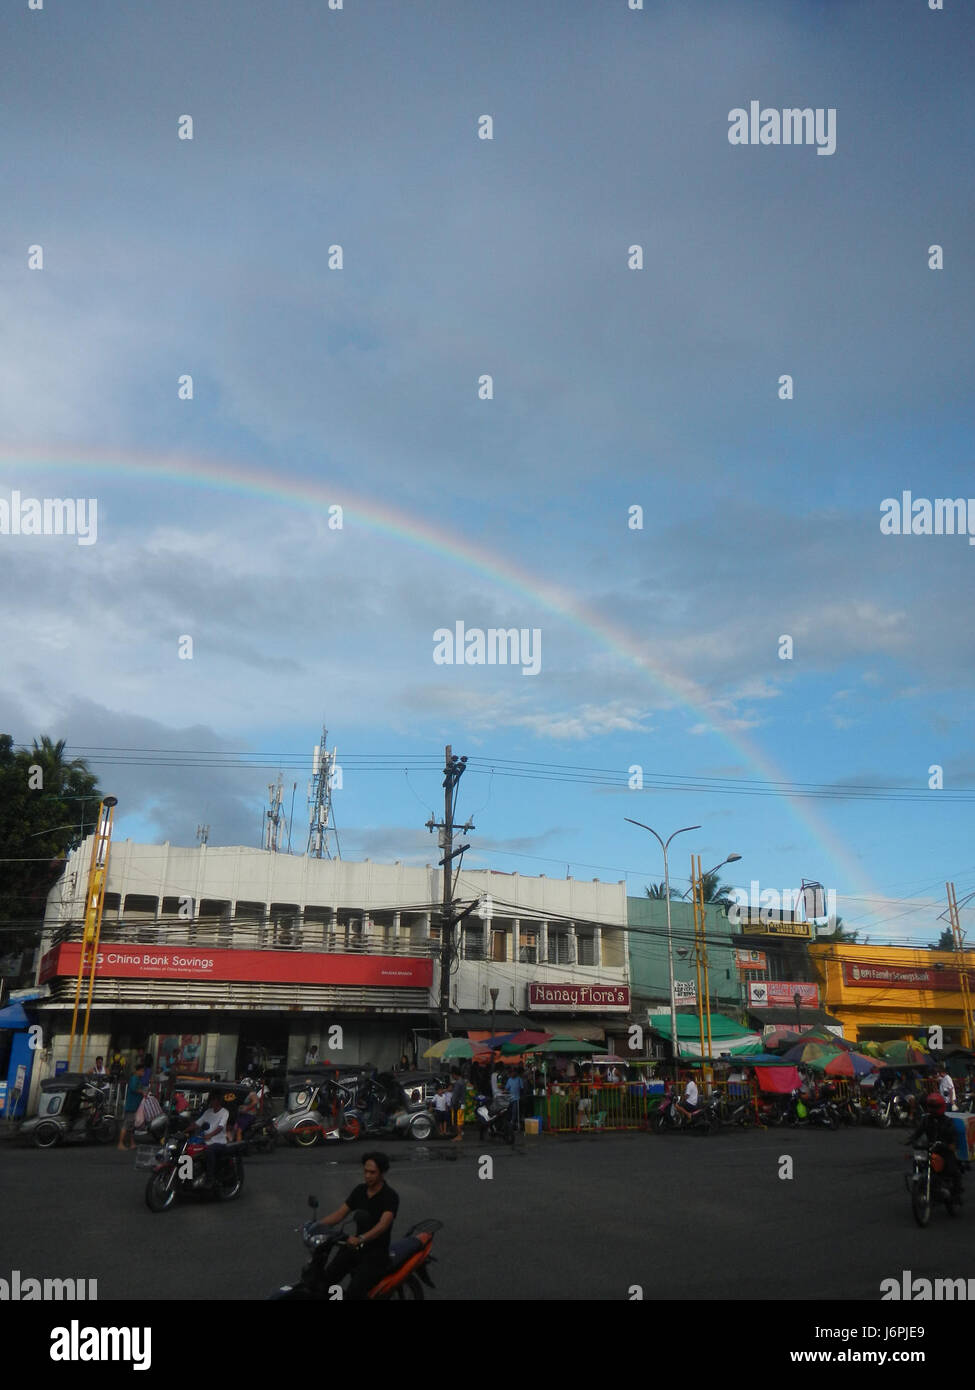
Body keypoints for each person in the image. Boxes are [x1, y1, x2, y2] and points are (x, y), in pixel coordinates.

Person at [314, 1152, 399, 1301]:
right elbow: (340, 1214)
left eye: (372, 1172)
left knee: (354, 1293)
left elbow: (383, 1225)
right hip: (355, 1248)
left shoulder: (390, 1196)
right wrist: (316, 1225)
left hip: (376, 1254)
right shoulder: (360, 1190)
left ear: (382, 1173)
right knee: (325, 1281)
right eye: (365, 1171)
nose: (367, 1176)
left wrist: (361, 1238)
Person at [905, 1093, 962, 1203]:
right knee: (917, 1161)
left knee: (952, 1168)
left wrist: (950, 1145)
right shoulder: (926, 1120)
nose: (933, 1109)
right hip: (930, 1149)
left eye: (935, 1107)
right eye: (931, 1106)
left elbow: (953, 1138)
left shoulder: (947, 1121)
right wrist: (910, 1140)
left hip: (944, 1150)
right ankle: (921, 1185)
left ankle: (956, 1194)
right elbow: (918, 1132)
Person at [189, 1089, 230, 1186]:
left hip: (219, 1142)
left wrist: (210, 1135)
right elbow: (197, 1124)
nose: (210, 1101)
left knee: (209, 1151)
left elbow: (220, 1127)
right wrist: (183, 1131)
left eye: (213, 1099)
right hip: (205, 1141)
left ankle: (210, 1178)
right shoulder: (208, 1111)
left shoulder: (224, 1112)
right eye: (210, 1099)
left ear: (218, 1100)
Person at [117, 1068, 146, 1151]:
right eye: (142, 1071)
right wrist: (142, 1092)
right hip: (131, 1105)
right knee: (127, 1125)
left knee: (131, 1126)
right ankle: (120, 1143)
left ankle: (132, 1143)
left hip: (134, 1105)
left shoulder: (137, 1079)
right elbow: (134, 1089)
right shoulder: (134, 1078)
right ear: (138, 1071)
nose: (143, 1073)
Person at [449, 1070, 466, 1142]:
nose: (452, 1077)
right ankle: (460, 1133)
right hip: (462, 1103)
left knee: (457, 1120)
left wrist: (451, 1104)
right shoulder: (462, 1081)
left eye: (452, 1075)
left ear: (455, 1074)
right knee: (460, 1120)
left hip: (457, 1104)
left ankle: (459, 1136)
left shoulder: (458, 1083)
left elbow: (455, 1095)